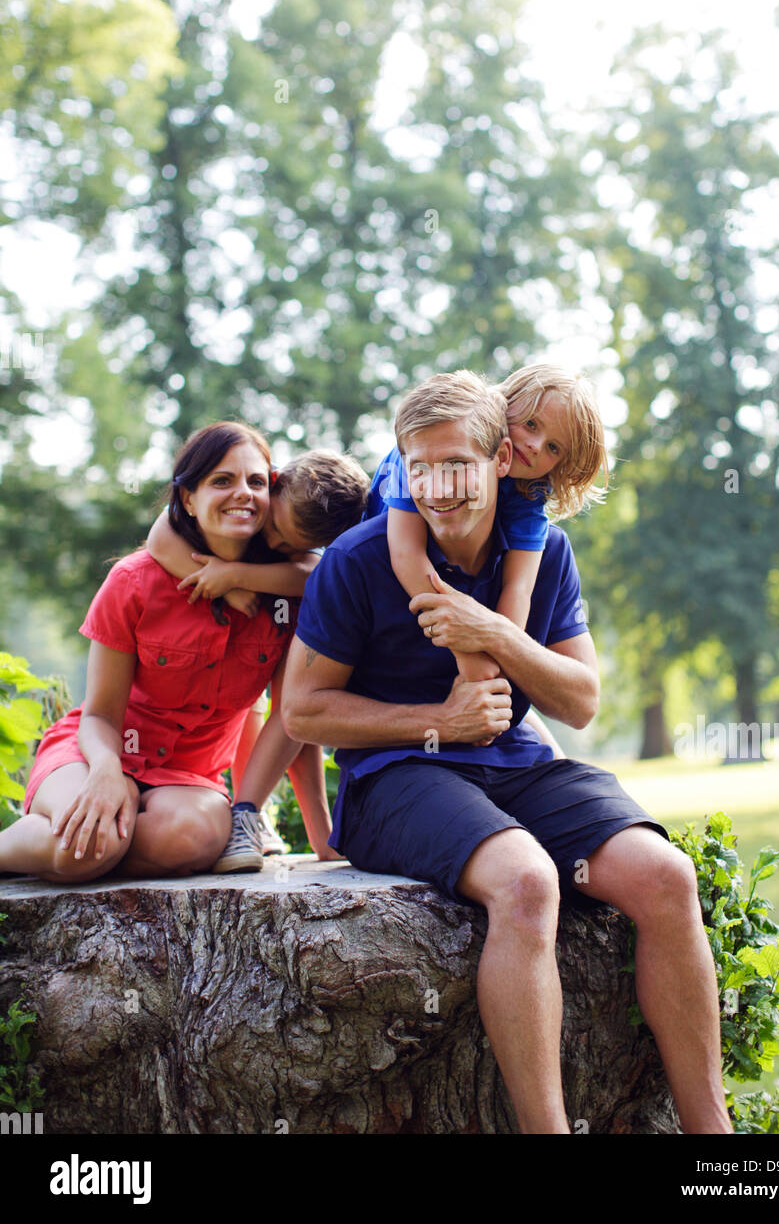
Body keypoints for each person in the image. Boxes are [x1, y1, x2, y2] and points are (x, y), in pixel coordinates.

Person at [281, 370, 733, 1135]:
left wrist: (496, 635)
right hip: (397, 777)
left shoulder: (542, 550)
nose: (436, 485)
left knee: (665, 876)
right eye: (419, 466)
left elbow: (580, 700)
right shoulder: (358, 559)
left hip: (517, 760)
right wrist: (439, 720)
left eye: (456, 463)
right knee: (526, 883)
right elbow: (302, 709)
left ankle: (714, 1140)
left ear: (499, 460)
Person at [0, 422, 335, 882]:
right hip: (95, 751)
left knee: (186, 838)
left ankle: (94, 845)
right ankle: (55, 845)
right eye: (222, 480)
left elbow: (293, 716)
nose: (243, 493)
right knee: (87, 843)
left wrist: (322, 834)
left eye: (256, 482)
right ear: (189, 499)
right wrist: (105, 772)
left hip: (187, 782)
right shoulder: (135, 582)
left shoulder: (287, 601)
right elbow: (99, 715)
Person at [145, 448, 370, 871]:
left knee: (294, 709)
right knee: (259, 710)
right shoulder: (242, 502)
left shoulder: (305, 577)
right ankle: (246, 813)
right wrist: (225, 588)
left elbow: (311, 575)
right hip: (210, 671)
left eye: (290, 546)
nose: (272, 544)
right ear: (273, 480)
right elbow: (159, 536)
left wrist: (236, 576)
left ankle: (256, 815)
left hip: (275, 632)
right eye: (276, 529)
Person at [367, 363, 608, 683]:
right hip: (380, 566)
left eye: (553, 447)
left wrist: (493, 665)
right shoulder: (427, 448)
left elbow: (518, 588)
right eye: (531, 423)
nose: (536, 445)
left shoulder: (529, 493)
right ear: (508, 403)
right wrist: (468, 657)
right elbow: (406, 554)